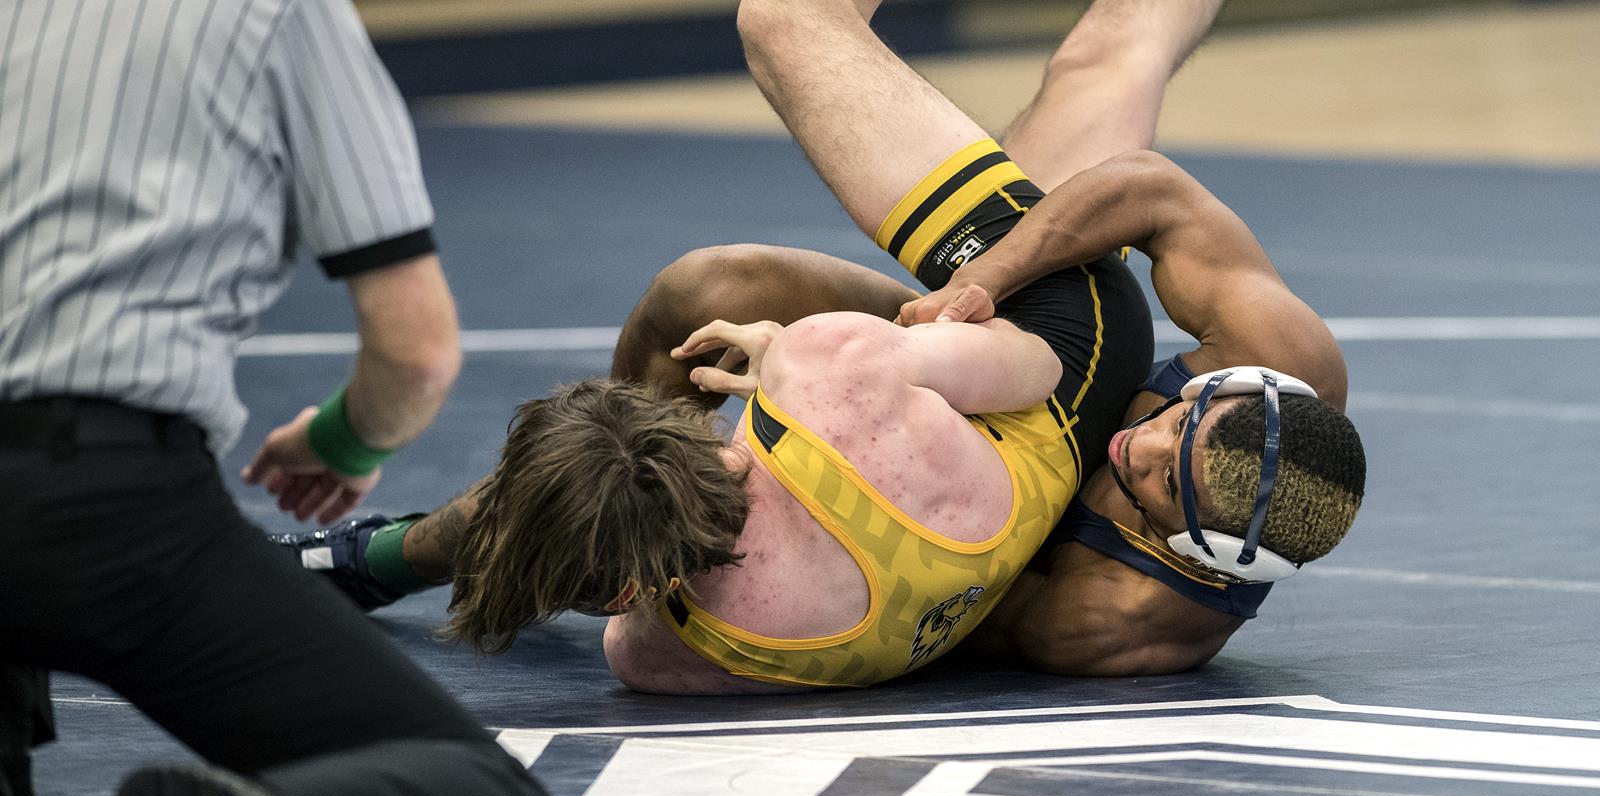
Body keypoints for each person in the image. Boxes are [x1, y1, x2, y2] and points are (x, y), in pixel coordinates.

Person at [283, 0, 1366, 688]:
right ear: (1241, 387)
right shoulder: (1288, 359)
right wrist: (982, 282)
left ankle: (419, 545)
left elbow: (919, 621)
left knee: (706, 297)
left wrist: (710, 527)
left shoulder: (1107, 618)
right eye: (1176, 418)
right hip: (1039, 336)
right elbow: (1149, 193)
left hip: (972, 433)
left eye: (1154, 487)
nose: (1137, 448)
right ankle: (532, 510)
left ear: (1194, 555)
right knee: (1101, 51)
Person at [0, 1, 554, 796]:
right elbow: (416, 351)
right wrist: (339, 440)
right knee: (481, 793)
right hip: (100, 509)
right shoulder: (277, 14)